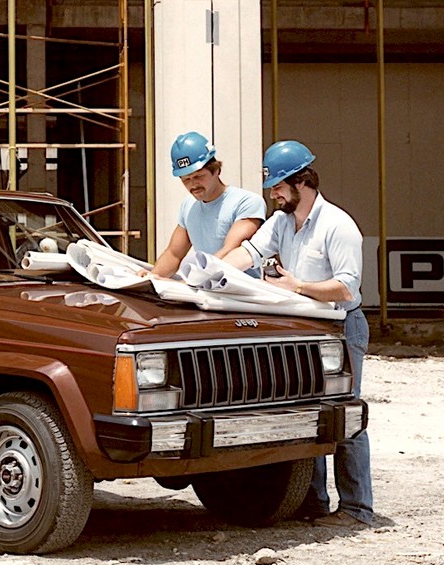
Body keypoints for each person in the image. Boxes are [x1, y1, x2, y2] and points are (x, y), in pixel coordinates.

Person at [222, 139, 373, 528]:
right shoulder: (281, 222)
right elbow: (250, 253)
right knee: (310, 415)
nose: (272, 194)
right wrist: (213, 272)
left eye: (277, 187)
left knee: (343, 415)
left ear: (301, 182)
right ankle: (314, 503)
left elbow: (346, 288)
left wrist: (298, 286)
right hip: (306, 328)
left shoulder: (338, 226)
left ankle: (357, 509)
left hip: (342, 328)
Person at [144, 131, 266, 278]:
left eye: (198, 176)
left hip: (240, 295)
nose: (193, 184)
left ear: (216, 170)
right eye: (186, 180)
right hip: (204, 290)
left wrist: (193, 281)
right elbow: (174, 254)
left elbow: (230, 250)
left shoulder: (247, 202)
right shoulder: (188, 206)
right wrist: (152, 277)